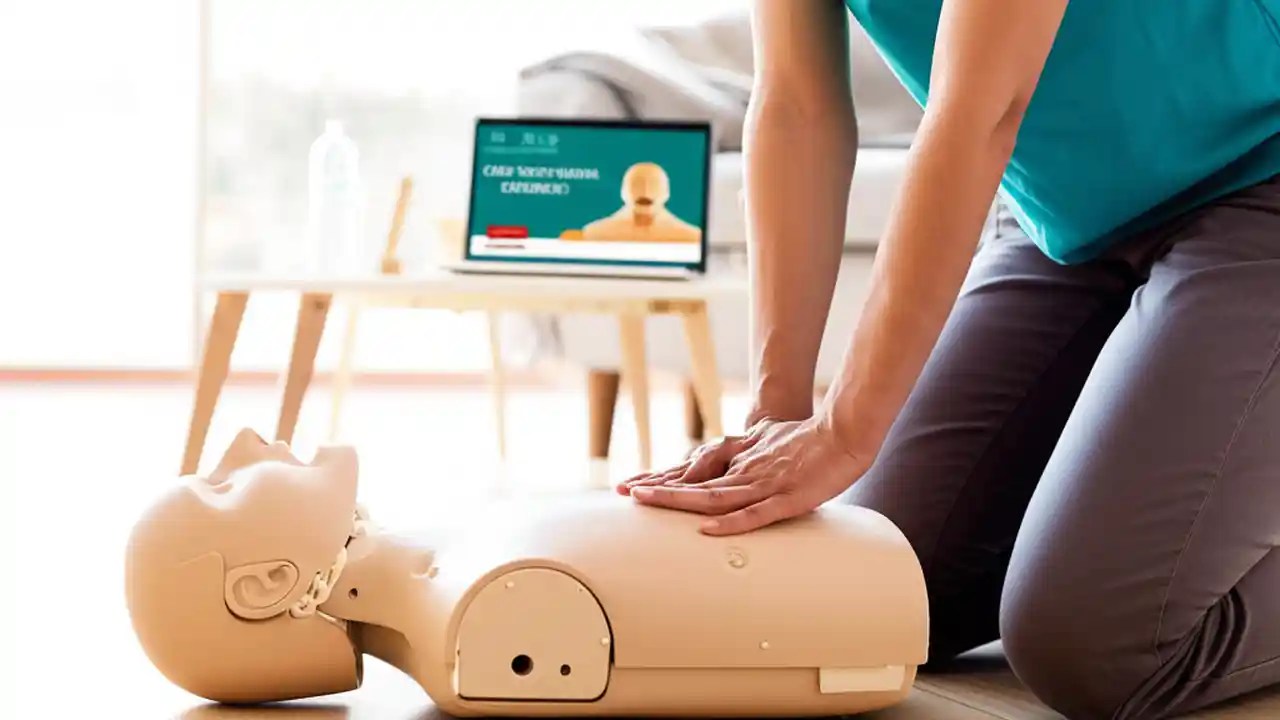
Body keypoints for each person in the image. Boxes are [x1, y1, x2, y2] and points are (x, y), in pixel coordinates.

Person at [618, 1, 1280, 718]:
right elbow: (796, 106)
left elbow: (980, 114)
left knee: (1102, 645)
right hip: (1065, 216)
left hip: (1263, 175)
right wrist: (773, 415)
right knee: (882, 591)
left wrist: (844, 430)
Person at [580, 162, 701, 243]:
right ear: (623, 191)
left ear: (666, 192)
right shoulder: (592, 234)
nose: (645, 191)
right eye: (637, 184)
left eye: (654, 184)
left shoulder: (693, 237)